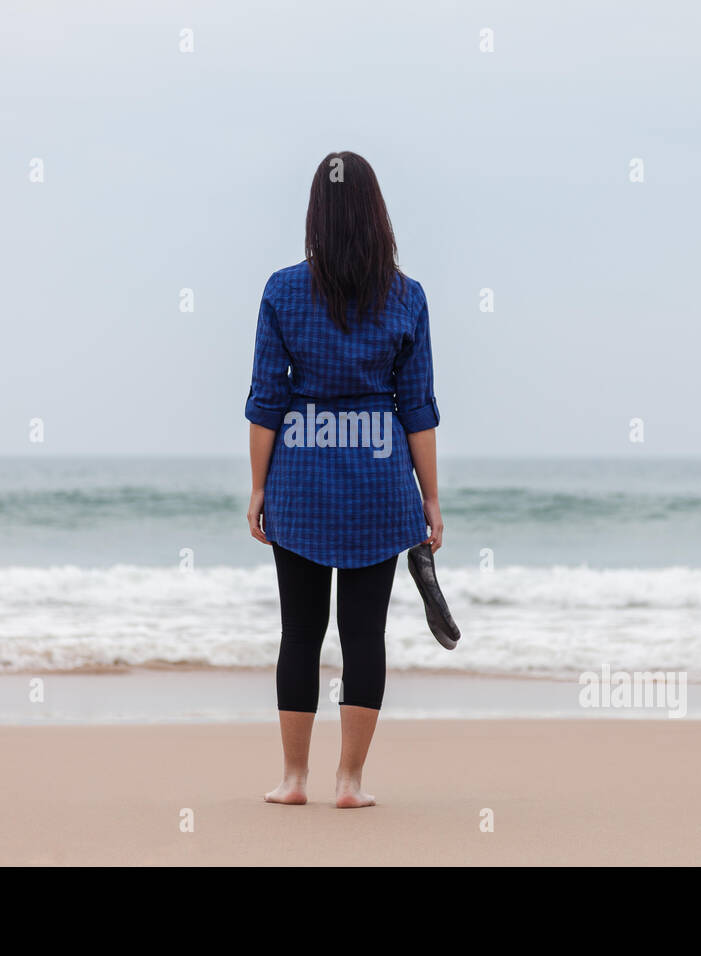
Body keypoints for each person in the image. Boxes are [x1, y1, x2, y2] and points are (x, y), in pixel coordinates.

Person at [245, 151, 443, 808]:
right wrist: (432, 499)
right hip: (381, 480)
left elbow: (267, 400)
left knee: (300, 631)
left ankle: (293, 779)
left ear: (316, 213)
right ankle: (350, 782)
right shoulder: (407, 296)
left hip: (301, 476)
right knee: (364, 634)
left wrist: (258, 487)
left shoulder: (281, 290)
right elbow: (416, 407)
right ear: (375, 213)